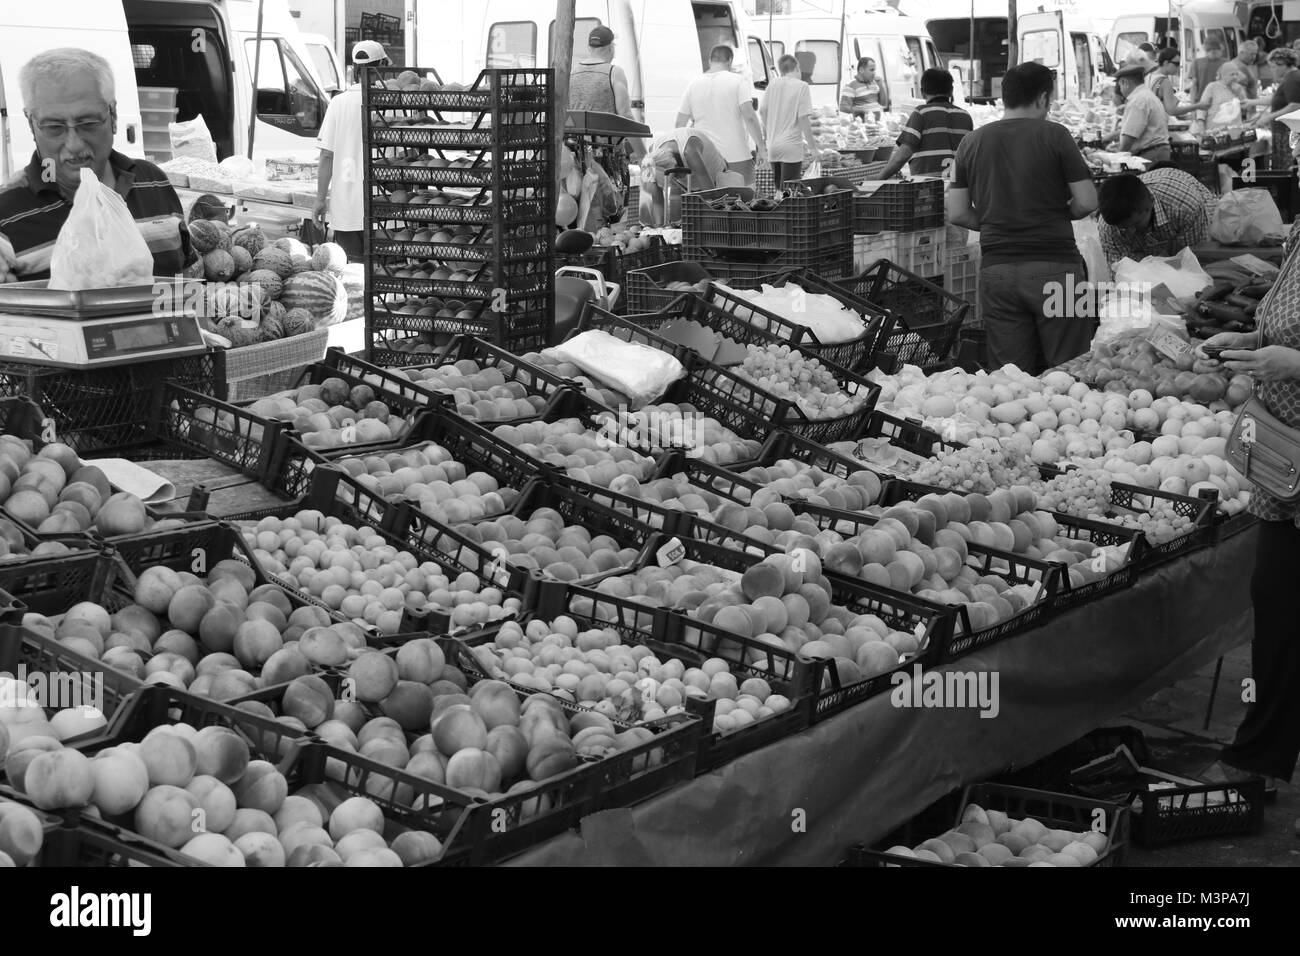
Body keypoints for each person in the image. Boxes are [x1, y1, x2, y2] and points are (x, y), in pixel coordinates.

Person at [1195, 238, 1300, 806]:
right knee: (1278, 602)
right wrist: (1254, 342)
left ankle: (1256, 756)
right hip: (1283, 460)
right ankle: (1259, 754)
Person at [946, 62, 1097, 374]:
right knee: (1073, 369)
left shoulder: (970, 142)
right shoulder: (1056, 135)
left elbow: (958, 212)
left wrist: (992, 221)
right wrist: (1059, 214)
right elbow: (1087, 202)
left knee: (1011, 380)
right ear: (1042, 98)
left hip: (997, 274)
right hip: (1060, 273)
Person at [0, 47, 193, 284]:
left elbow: (184, 285)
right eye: (53, 127)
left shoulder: (153, 182)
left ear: (112, 117)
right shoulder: (6, 213)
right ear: (31, 125)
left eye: (88, 123)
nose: (73, 145)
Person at [315, 40, 388, 263]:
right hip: (385, 208)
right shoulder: (389, 101)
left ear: (354, 70)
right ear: (382, 66)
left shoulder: (339, 103)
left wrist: (320, 199)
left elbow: (327, 155)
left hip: (346, 209)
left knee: (355, 273)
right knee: (385, 277)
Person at [676, 45, 766, 186]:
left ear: (710, 60)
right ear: (730, 61)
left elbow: (680, 124)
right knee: (746, 200)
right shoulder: (738, 81)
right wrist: (761, 147)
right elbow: (750, 116)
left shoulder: (693, 84)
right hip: (737, 155)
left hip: (705, 157)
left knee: (712, 201)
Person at [1095, 168, 1216, 266]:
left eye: (1135, 224)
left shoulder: (1186, 207)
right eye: (1123, 229)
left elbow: (1194, 261)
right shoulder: (1108, 227)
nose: (1130, 232)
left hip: (1194, 211)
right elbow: (1120, 271)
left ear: (1151, 202)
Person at [878, 68, 973, 179]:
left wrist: (879, 177)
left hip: (928, 188)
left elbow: (904, 153)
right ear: (951, 91)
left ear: (922, 92)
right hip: (958, 187)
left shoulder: (921, 113)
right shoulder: (965, 116)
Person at [637, 129, 743, 226]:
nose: (676, 180)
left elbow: (711, 197)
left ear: (675, 168)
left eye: (674, 178)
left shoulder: (689, 150)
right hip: (687, 182)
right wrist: (659, 230)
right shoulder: (652, 161)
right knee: (678, 222)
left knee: (720, 220)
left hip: (715, 179)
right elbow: (657, 201)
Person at [568, 25, 644, 161]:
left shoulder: (572, 72)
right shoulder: (614, 72)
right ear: (611, 48)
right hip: (607, 155)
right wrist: (643, 155)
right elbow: (625, 115)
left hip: (577, 154)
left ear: (589, 48)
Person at [760, 55, 821, 189]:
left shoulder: (772, 84)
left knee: (779, 190)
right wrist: (813, 148)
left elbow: (762, 110)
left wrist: (769, 129)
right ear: (797, 68)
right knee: (790, 191)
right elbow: (803, 118)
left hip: (773, 146)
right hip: (791, 146)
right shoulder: (802, 86)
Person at [1101, 64, 1171, 163]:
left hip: (1150, 154)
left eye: (1120, 85)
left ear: (1125, 83)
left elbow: (1129, 137)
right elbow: (1135, 131)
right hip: (1156, 151)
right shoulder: (1146, 95)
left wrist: (1117, 153)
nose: (1120, 90)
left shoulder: (1138, 100)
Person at [1256, 47, 1300, 168]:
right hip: (1285, 130)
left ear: (1283, 65)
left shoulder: (1292, 78)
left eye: (1274, 67)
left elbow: (1295, 105)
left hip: (1286, 131)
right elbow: (1279, 99)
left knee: (1286, 167)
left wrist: (1269, 117)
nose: (1272, 71)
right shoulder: (1291, 77)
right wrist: (1252, 102)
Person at [1191, 36, 1227, 103]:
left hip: (1203, 102)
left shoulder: (1197, 62)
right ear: (1221, 48)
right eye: (1211, 49)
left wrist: (1193, 105)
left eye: (1214, 49)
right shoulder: (1227, 63)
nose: (1213, 51)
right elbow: (1193, 85)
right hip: (1220, 103)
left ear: (1204, 48)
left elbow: (1193, 86)